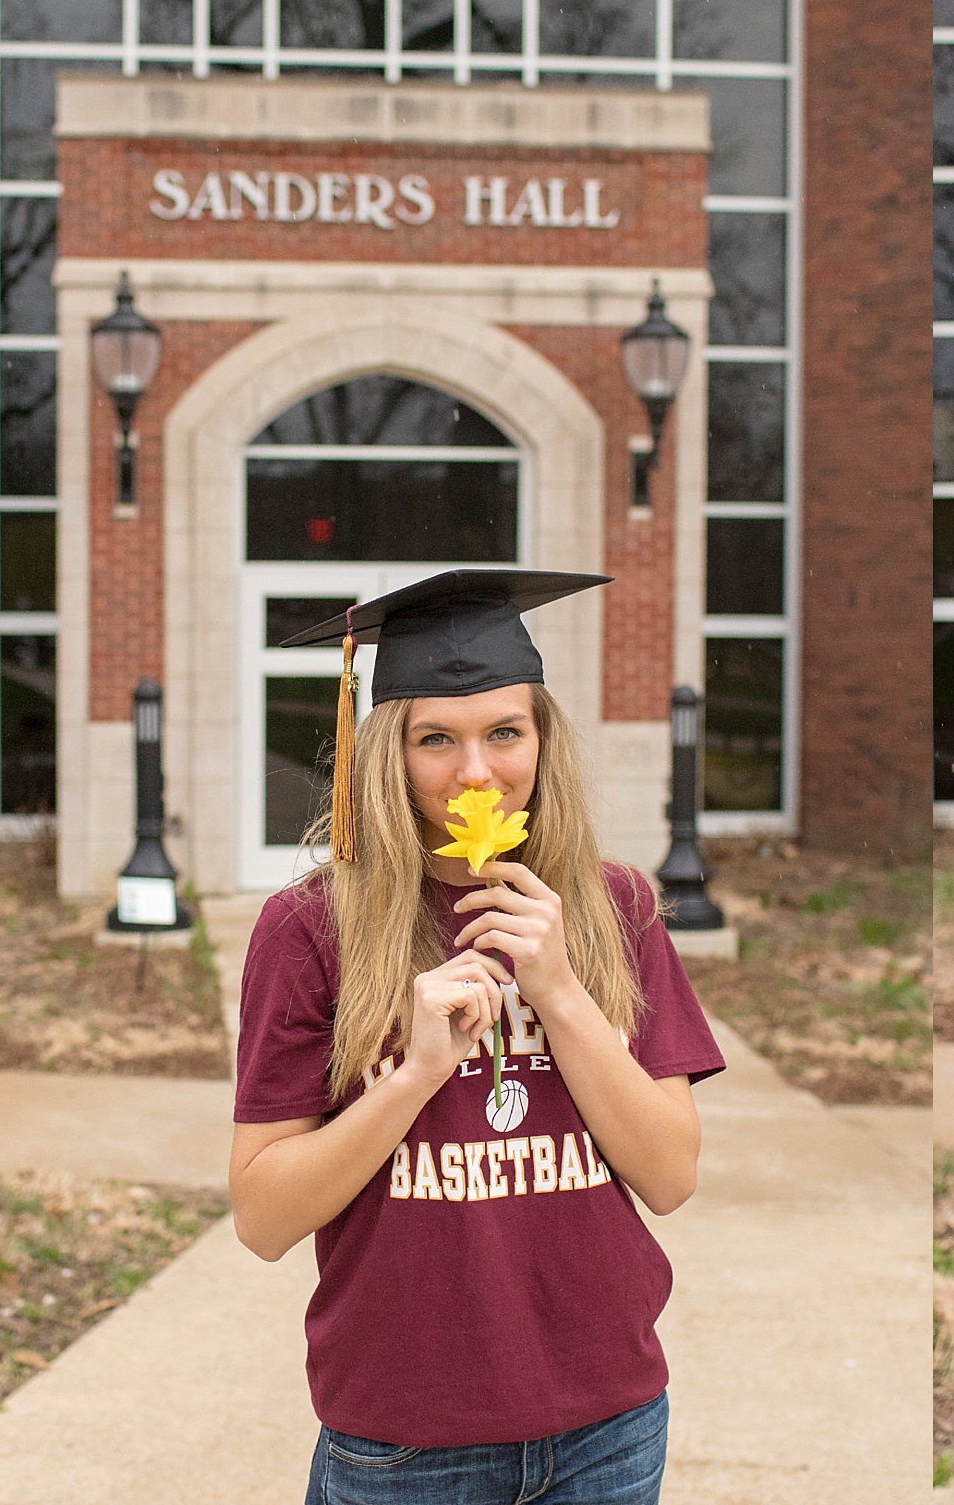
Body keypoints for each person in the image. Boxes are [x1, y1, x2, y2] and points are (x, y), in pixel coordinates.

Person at [230, 569, 725, 1505]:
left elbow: (669, 1177)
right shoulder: (310, 930)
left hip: (608, 1427)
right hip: (406, 1440)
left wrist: (560, 990)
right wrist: (415, 1074)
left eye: (506, 732)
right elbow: (263, 1218)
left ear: (543, 738)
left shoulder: (615, 906)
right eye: (434, 740)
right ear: (384, 752)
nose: (475, 773)